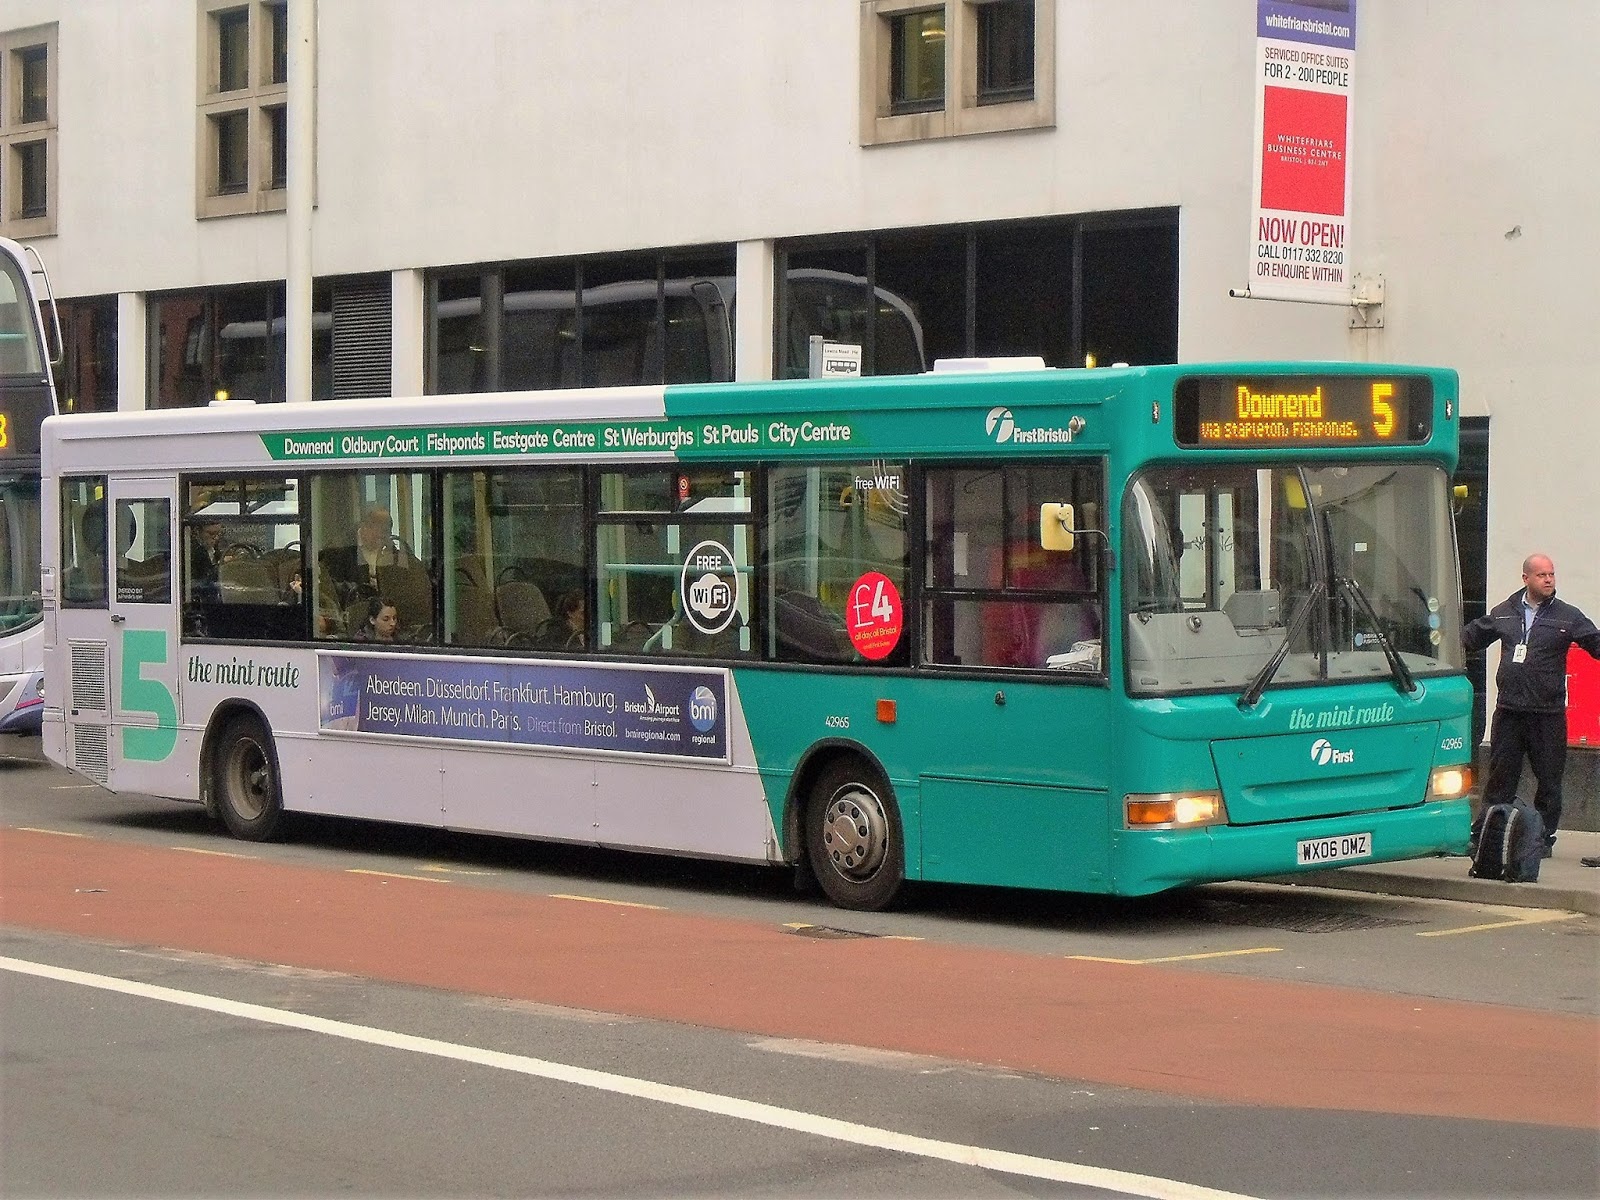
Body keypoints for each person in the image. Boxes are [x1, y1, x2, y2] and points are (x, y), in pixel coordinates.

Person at [1462, 554, 1600, 857]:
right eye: (1542, 575)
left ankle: (1543, 839)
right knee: (1500, 778)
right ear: (1526, 579)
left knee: (1549, 781)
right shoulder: (1505, 612)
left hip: (1547, 714)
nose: (1549, 580)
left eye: (1551, 574)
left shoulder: (1568, 616)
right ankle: (1488, 837)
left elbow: (1595, 643)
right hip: (1510, 712)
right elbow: (1469, 638)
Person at [322, 506, 405, 600]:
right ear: (364, 527)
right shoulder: (338, 550)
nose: (382, 537)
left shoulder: (391, 552)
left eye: (386, 532)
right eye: (379, 531)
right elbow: (331, 588)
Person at [191, 522, 225, 598]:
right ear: (197, 531)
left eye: (218, 534)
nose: (216, 538)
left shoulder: (214, 548)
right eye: (211, 534)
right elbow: (200, 579)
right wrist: (220, 565)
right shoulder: (193, 551)